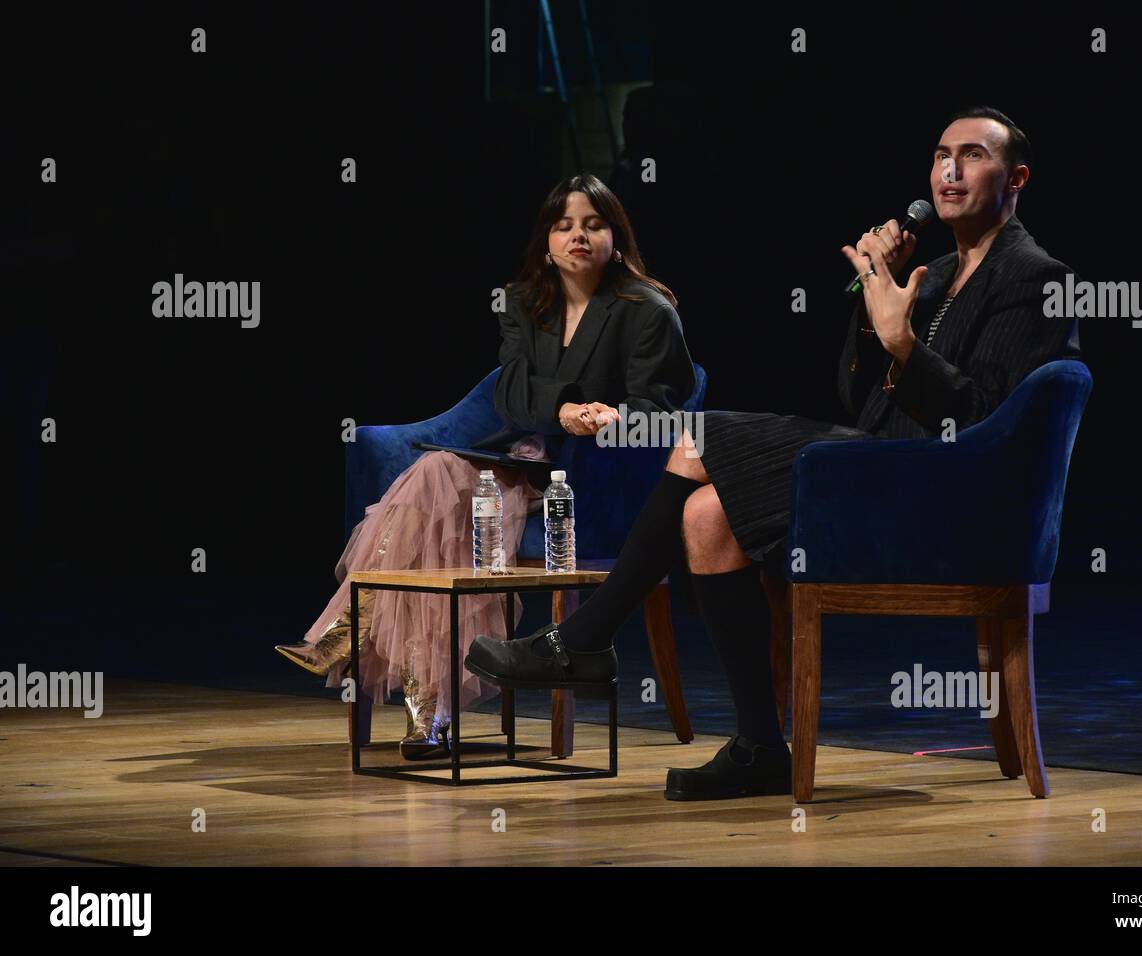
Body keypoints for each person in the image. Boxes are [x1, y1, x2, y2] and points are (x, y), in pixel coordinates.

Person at [467, 106, 1083, 799]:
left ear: (1017, 177)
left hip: (943, 498)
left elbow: (984, 424)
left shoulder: (1035, 277)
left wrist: (904, 344)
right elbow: (859, 400)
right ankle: (761, 745)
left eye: (973, 155)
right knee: (704, 517)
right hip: (887, 466)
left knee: (699, 437)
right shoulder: (934, 274)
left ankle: (585, 638)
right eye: (942, 154)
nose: (949, 169)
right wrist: (872, 310)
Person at [275, 173, 695, 759]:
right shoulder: (526, 302)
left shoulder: (646, 310)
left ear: (616, 237)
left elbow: (664, 410)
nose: (578, 235)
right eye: (564, 225)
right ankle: (426, 714)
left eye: (593, 224)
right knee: (437, 484)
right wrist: (564, 407)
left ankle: (356, 644)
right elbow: (512, 395)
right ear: (546, 241)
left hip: (587, 478)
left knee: (435, 489)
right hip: (514, 457)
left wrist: (608, 417)